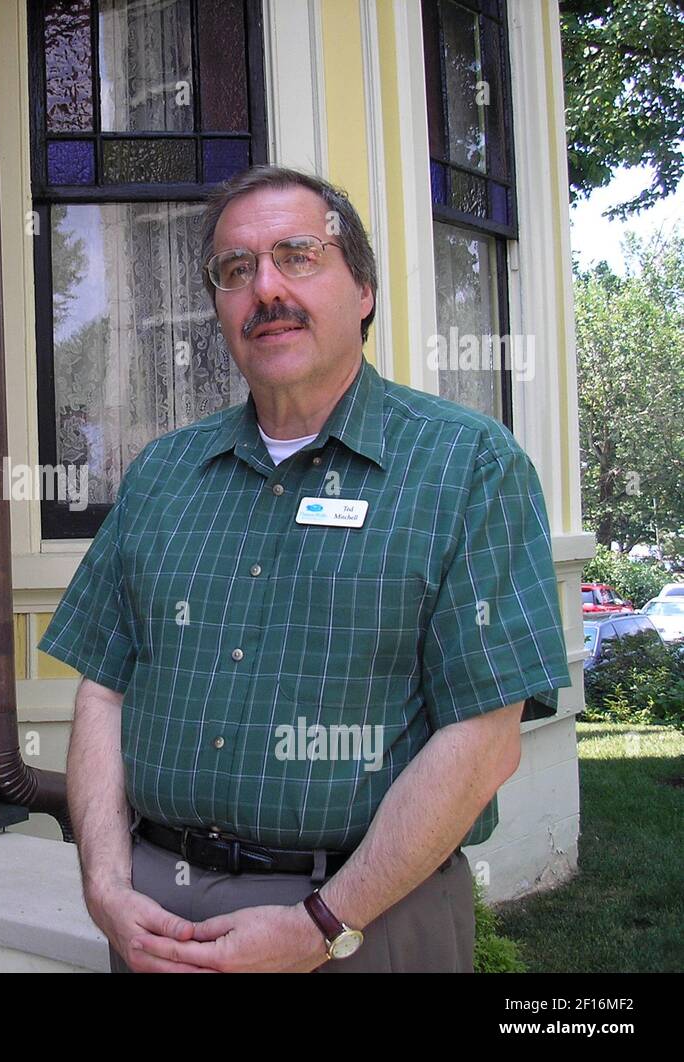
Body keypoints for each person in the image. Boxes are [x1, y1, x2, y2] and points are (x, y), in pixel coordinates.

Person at [36, 164, 571, 973]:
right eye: (236, 269)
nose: (266, 289)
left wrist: (325, 923)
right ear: (218, 304)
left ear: (361, 289)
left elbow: (484, 741)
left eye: (298, 256)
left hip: (368, 921)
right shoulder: (162, 473)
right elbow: (104, 690)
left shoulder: (468, 468)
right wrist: (106, 883)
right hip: (155, 921)